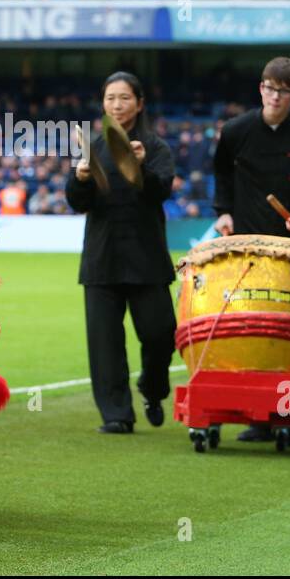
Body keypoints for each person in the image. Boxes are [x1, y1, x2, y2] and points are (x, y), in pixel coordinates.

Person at [211, 56, 290, 443]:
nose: (274, 96)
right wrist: (223, 213)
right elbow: (222, 177)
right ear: (260, 88)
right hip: (245, 244)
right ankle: (257, 416)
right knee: (251, 324)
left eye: (283, 90)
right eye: (269, 87)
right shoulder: (234, 131)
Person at [66, 71, 176, 435]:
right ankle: (116, 414)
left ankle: (153, 386)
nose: (117, 104)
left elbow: (161, 191)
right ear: (103, 103)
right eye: (111, 97)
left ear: (140, 103)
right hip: (102, 257)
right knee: (105, 343)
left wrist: (141, 166)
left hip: (147, 258)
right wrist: (78, 180)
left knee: (162, 333)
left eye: (125, 97)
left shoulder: (156, 148)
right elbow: (76, 201)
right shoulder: (93, 147)